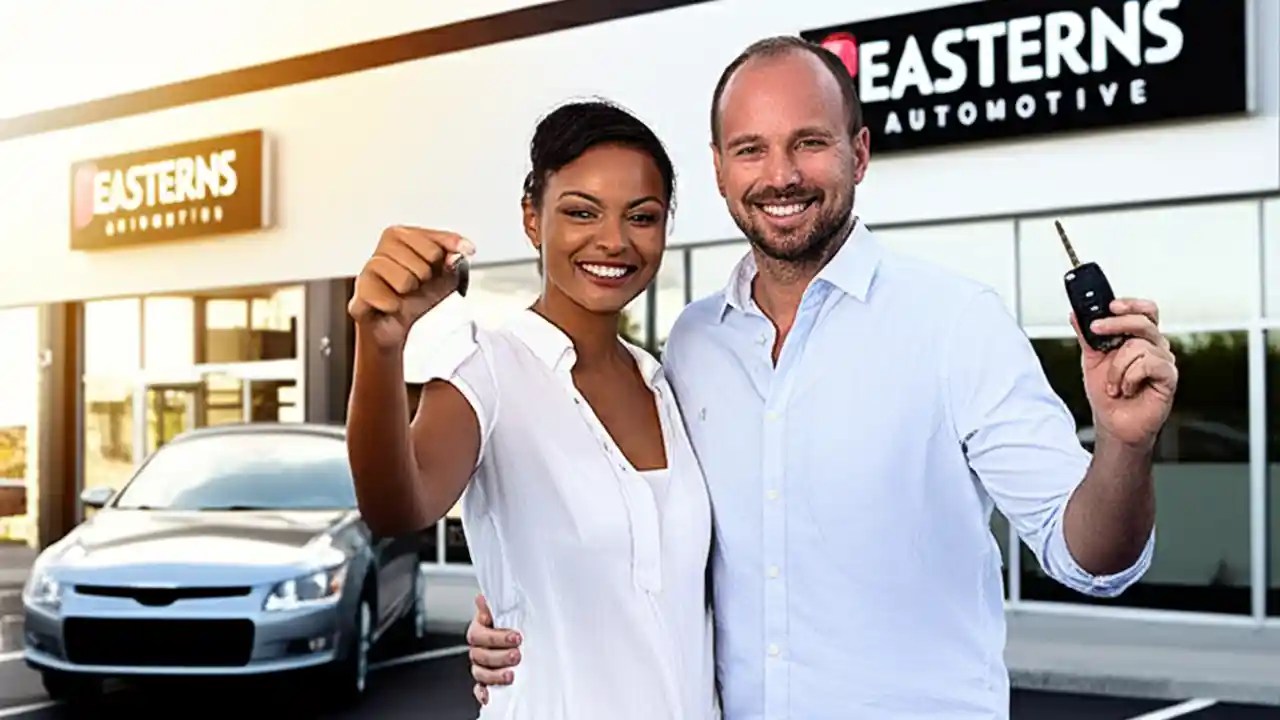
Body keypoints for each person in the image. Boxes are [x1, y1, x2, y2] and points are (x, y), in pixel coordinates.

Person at [465, 36, 1178, 719]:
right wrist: (520, 606)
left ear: (859, 153)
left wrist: (1124, 447)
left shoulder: (957, 324)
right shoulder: (691, 347)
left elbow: (1088, 557)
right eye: (752, 149)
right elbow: (642, 533)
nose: (781, 176)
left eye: (809, 142)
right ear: (719, 170)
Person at [344, 100, 718, 718]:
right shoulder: (488, 369)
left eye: (642, 217)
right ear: (532, 220)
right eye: (581, 212)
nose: (614, 241)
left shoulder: (664, 383)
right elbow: (395, 503)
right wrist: (379, 347)